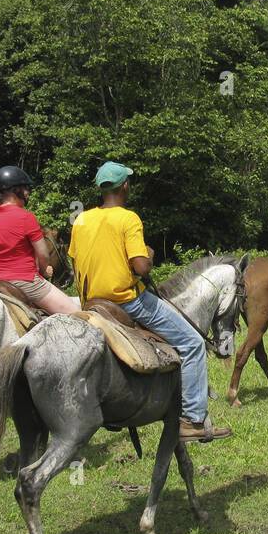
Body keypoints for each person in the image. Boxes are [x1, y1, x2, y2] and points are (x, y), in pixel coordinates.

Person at [69, 161, 230, 442]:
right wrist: (149, 256)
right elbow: (142, 268)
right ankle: (192, 419)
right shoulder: (128, 218)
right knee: (192, 344)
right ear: (125, 186)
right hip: (127, 301)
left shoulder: (81, 219)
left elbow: (75, 261)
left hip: (91, 302)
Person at [0, 165, 79, 314]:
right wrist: (44, 270)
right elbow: (43, 255)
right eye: (25, 189)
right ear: (16, 190)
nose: (28, 193)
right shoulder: (26, 217)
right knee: (77, 314)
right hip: (25, 281)